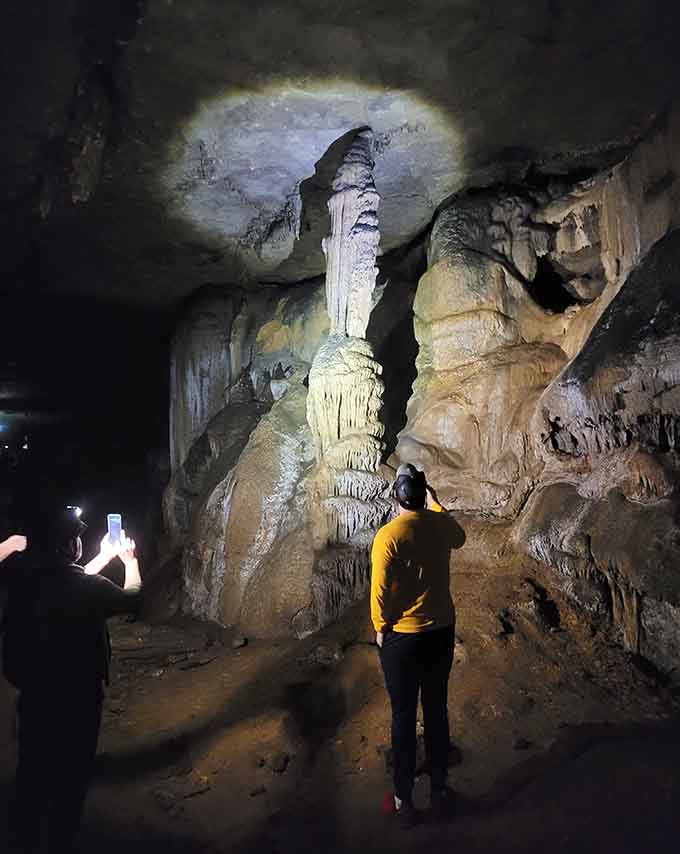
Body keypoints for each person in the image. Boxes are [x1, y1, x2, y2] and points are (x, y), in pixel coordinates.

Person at [2, 504, 142, 853]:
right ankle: (59, 843)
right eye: (76, 538)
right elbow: (132, 598)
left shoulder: (24, 580)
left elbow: (68, 579)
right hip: (78, 699)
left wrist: (100, 558)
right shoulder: (85, 588)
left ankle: (23, 841)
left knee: (32, 774)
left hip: (35, 695)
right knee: (70, 778)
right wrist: (129, 562)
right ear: (68, 546)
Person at [370, 463, 465, 826]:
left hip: (402, 639)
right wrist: (437, 505)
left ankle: (402, 800)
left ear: (396, 497)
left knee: (404, 716)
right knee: (436, 711)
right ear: (424, 494)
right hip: (439, 632)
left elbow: (378, 590)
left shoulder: (389, 535)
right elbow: (460, 538)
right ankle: (439, 791)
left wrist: (380, 627)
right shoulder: (440, 526)